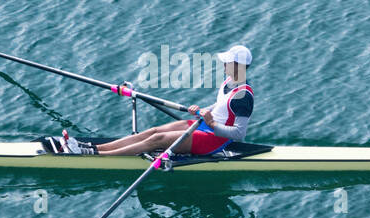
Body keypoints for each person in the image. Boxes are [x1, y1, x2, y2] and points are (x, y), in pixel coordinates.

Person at [64, 45, 255, 156]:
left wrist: (211, 122)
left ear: (237, 65)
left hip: (215, 140)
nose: (223, 64)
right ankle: (95, 148)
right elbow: (221, 105)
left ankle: (101, 157)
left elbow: (238, 134)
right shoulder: (231, 80)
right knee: (153, 130)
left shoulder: (243, 96)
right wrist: (203, 110)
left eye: (227, 62)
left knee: (158, 139)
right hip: (206, 126)